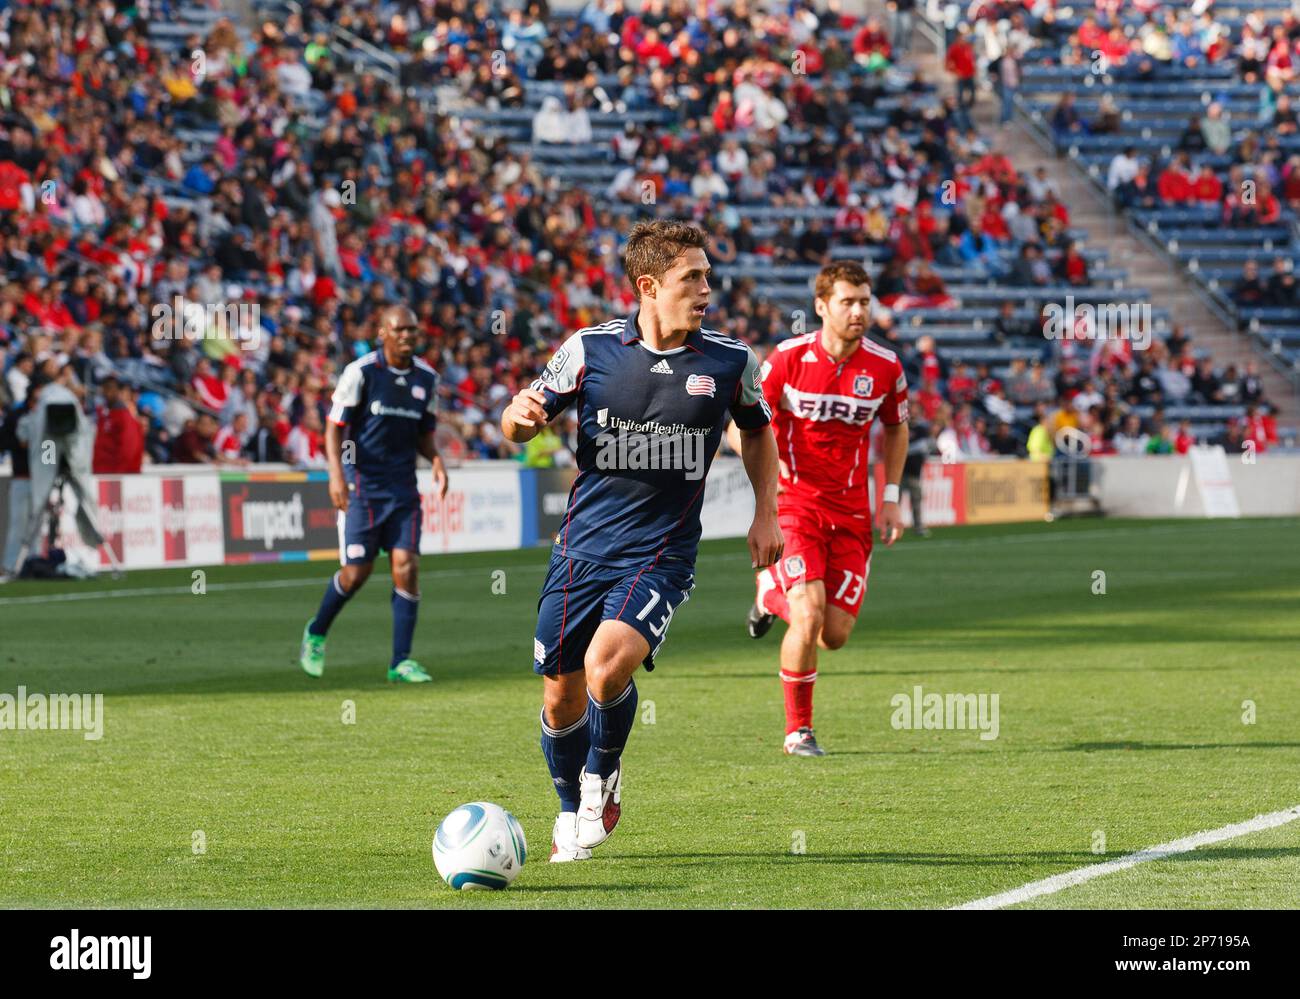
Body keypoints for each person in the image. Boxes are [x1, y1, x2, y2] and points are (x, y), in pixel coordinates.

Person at [500, 219, 781, 862]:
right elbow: (522, 417)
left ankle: (603, 773)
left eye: (708, 275)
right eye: (693, 277)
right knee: (559, 691)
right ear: (649, 285)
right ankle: (570, 806)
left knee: (607, 664)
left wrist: (766, 512)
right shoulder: (590, 350)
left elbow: (758, 432)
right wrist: (519, 419)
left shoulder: (730, 361)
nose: (708, 288)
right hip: (581, 548)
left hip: (661, 551)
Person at [728, 261, 909, 757]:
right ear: (821, 306)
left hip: (852, 512)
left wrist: (890, 499)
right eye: (848, 302)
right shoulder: (787, 359)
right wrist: (767, 487)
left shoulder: (886, 367)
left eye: (865, 302)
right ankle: (798, 731)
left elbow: (896, 428)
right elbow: (743, 423)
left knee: (833, 635)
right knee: (807, 616)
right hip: (796, 504)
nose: (858, 311)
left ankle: (769, 596)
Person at [297, 305, 450, 684]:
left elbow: (424, 433)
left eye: (413, 330)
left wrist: (436, 459)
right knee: (355, 574)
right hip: (362, 486)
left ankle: (400, 662)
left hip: (403, 488)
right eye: (400, 330)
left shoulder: (427, 379)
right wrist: (335, 475)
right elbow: (335, 428)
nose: (408, 337)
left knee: (406, 567)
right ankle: (316, 632)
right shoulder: (361, 372)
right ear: (382, 332)